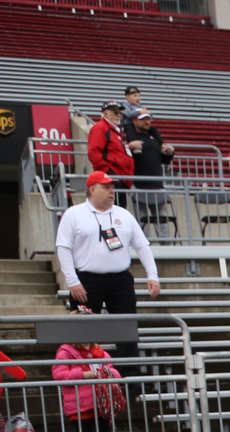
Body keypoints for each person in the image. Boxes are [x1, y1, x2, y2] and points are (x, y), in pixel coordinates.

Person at [55, 171, 161, 355]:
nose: (112, 191)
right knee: (83, 333)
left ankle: (131, 379)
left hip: (120, 280)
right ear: (93, 190)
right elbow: (63, 248)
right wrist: (72, 281)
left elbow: (142, 246)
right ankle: (85, 377)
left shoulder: (124, 215)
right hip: (87, 280)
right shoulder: (73, 214)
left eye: (112, 187)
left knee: (126, 330)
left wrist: (153, 275)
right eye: (106, 187)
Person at [51, 336, 128, 432]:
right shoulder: (65, 351)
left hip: (101, 404)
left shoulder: (99, 351)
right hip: (79, 406)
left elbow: (112, 370)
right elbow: (59, 374)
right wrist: (82, 374)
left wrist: (109, 373)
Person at [125, 108, 174, 240]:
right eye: (143, 119)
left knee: (162, 218)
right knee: (141, 219)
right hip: (139, 184)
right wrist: (129, 147)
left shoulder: (154, 137)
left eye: (148, 119)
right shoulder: (129, 137)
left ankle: (166, 246)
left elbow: (162, 160)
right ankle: (144, 245)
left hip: (157, 184)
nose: (147, 122)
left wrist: (169, 153)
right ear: (134, 120)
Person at [87, 102, 137, 201]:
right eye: (115, 112)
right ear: (105, 113)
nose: (119, 115)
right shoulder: (101, 128)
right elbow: (94, 153)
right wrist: (108, 173)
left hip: (120, 179)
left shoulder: (116, 131)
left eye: (119, 113)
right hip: (112, 179)